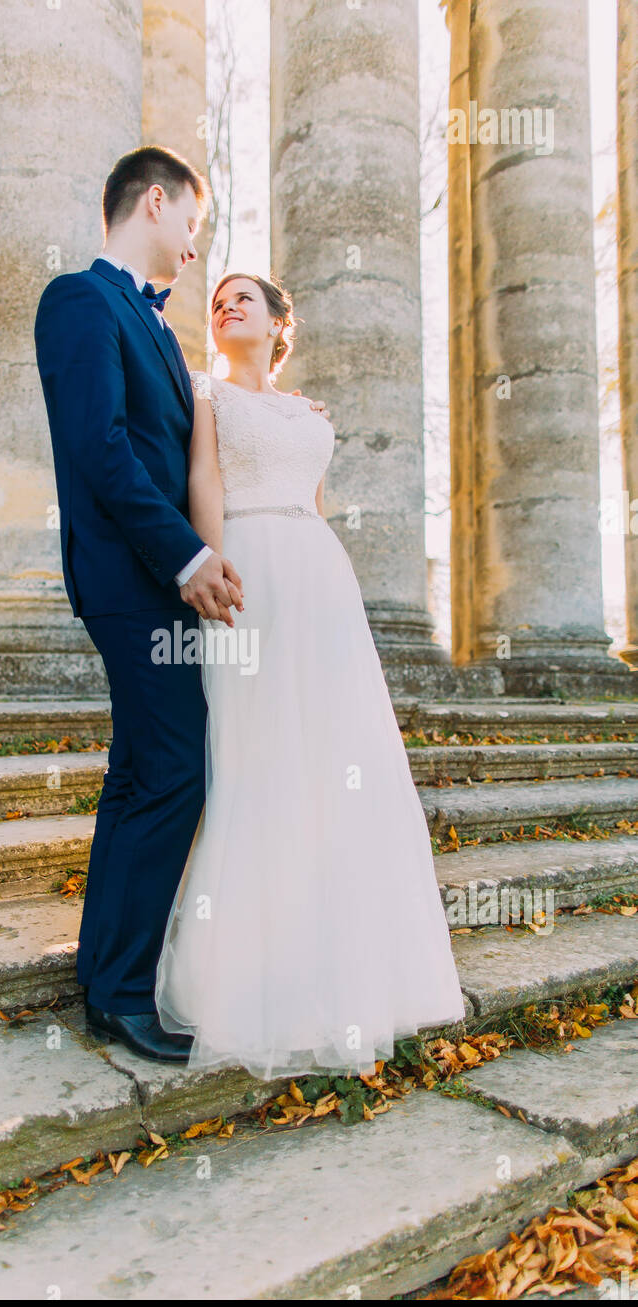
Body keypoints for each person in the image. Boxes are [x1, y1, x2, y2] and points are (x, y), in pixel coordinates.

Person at [34, 147, 327, 1063]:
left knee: (141, 774)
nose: (195, 248)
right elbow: (101, 448)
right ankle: (124, 991)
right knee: (174, 773)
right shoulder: (80, 301)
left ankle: (102, 978)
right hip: (132, 579)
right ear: (155, 203)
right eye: (193, 224)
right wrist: (190, 554)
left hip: (163, 582)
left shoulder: (159, 332)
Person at [154, 272, 467, 1081]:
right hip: (248, 570)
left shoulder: (310, 413)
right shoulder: (206, 397)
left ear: (277, 322)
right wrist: (213, 565)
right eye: (217, 300)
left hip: (319, 577)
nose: (226, 307)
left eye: (242, 299)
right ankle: (247, 976)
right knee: (254, 755)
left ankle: (347, 965)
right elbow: (206, 483)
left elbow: (316, 503)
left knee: (336, 760)